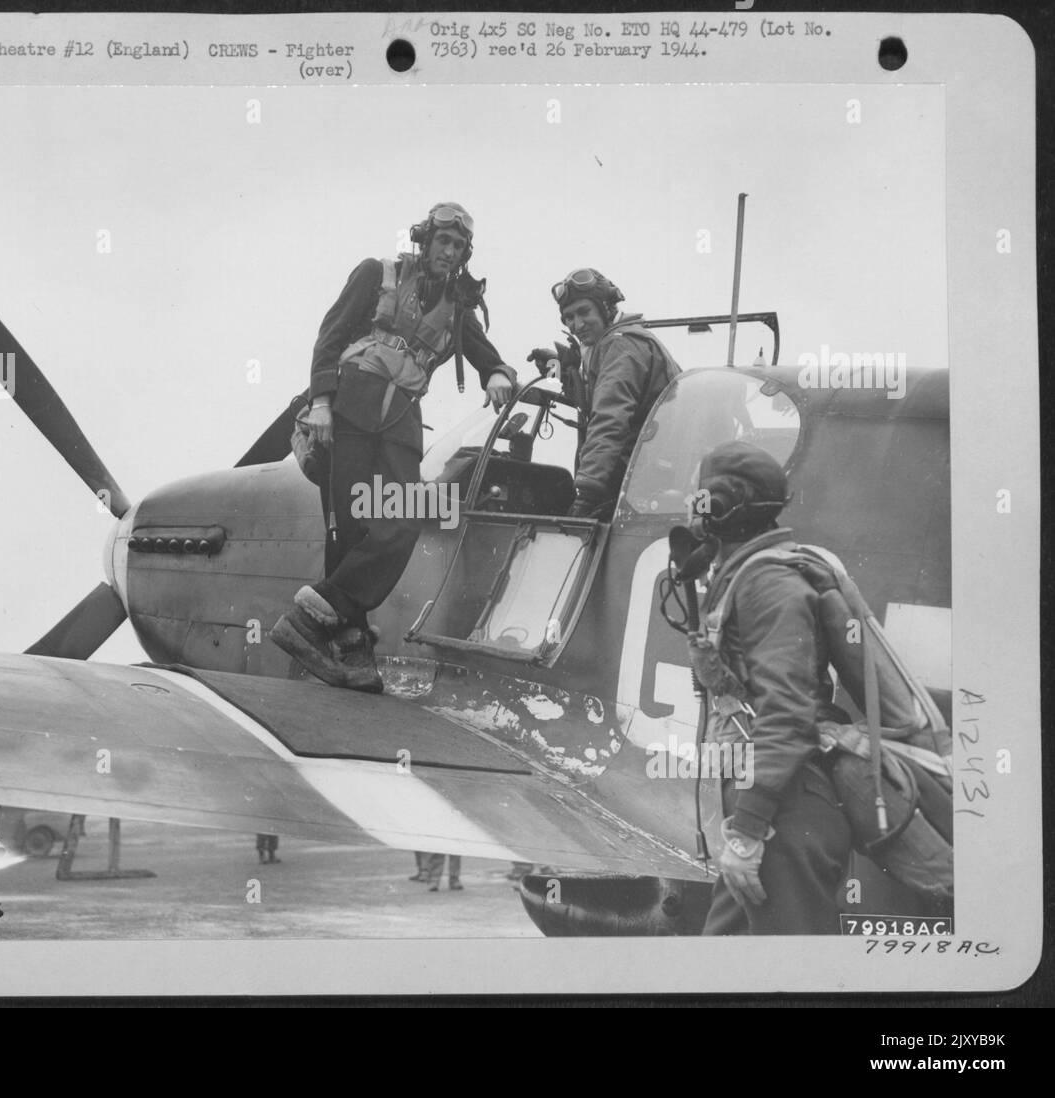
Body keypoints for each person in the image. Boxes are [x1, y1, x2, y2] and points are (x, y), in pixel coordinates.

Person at [272, 203, 517, 690]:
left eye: (458, 247)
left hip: (403, 419)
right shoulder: (376, 274)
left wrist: (496, 373)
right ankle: (351, 645)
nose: (449, 253)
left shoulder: (458, 307)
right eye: (443, 242)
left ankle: (311, 617)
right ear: (425, 242)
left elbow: (489, 357)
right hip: (351, 406)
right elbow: (331, 335)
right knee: (347, 528)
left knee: (404, 518)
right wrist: (321, 404)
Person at [682, 441, 854, 935]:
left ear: (720, 508)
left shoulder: (768, 584)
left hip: (784, 821)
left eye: (701, 500)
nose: (693, 511)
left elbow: (787, 717)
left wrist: (747, 834)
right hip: (770, 816)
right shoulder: (744, 576)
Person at [528, 268, 680, 519]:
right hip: (640, 477)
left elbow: (609, 417)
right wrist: (564, 372)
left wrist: (586, 492)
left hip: (636, 484)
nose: (577, 324)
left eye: (584, 312)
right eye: (568, 317)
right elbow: (600, 395)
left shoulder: (621, 345)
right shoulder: (617, 343)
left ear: (606, 307)